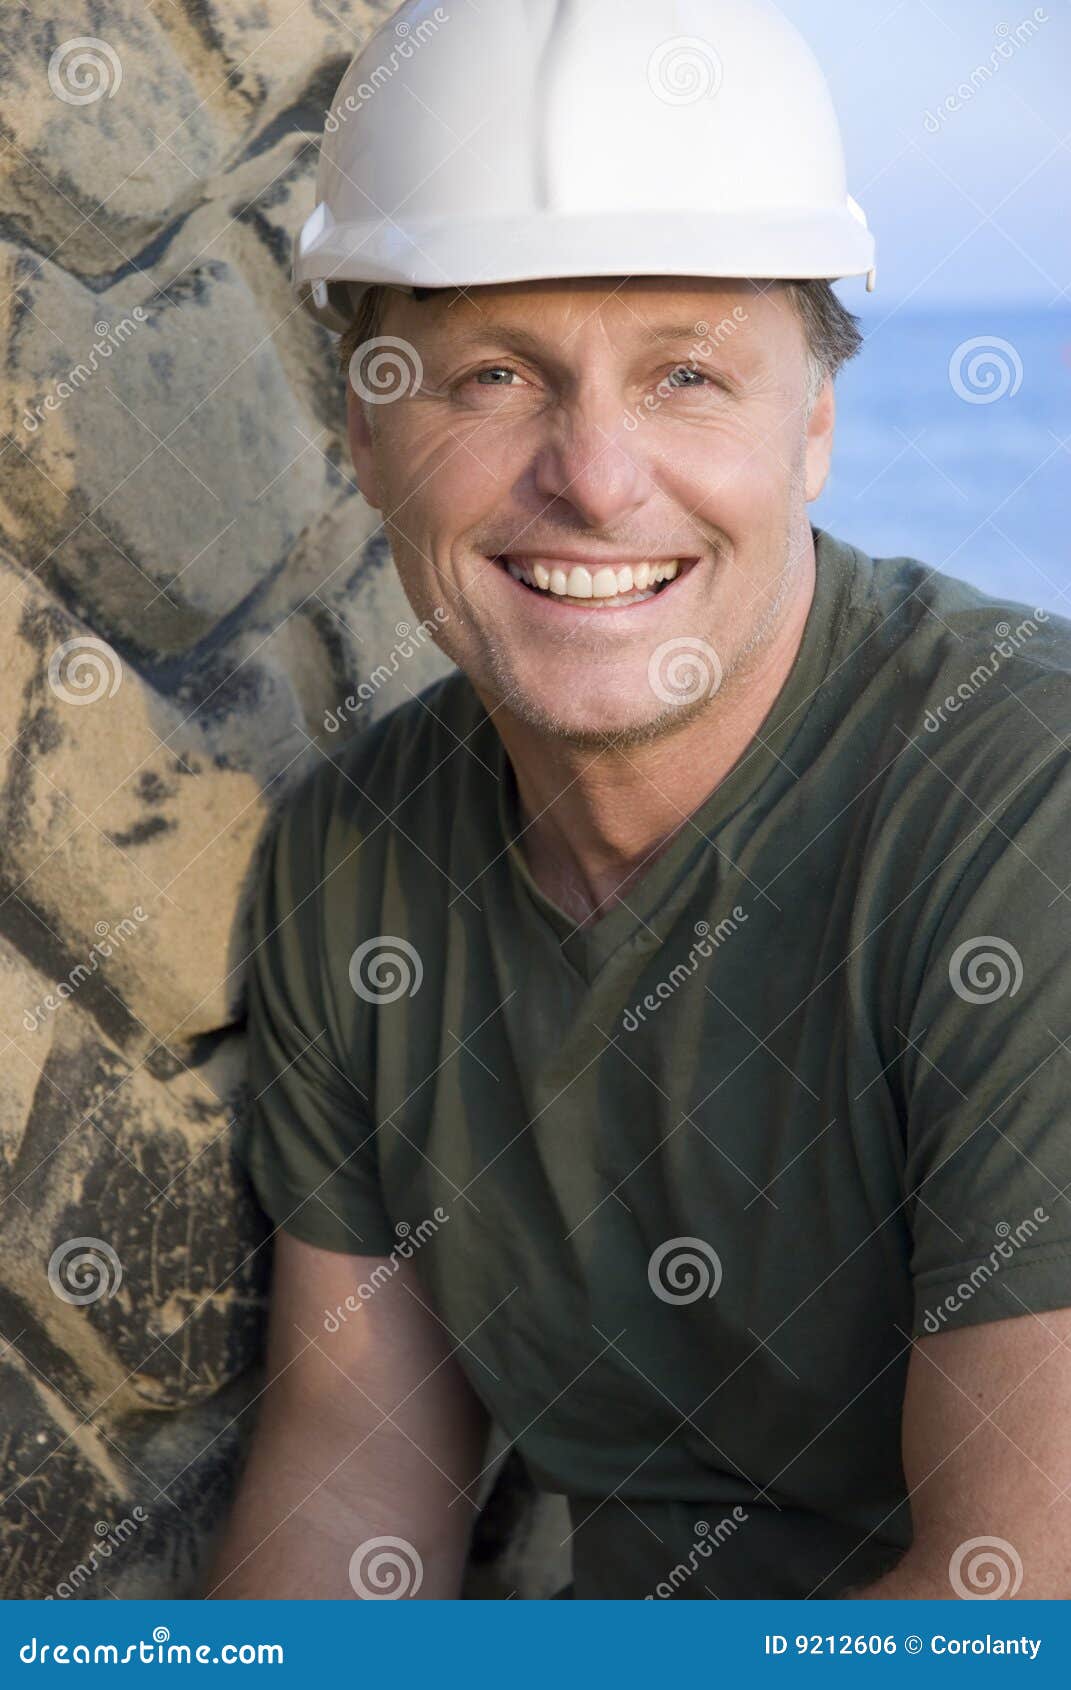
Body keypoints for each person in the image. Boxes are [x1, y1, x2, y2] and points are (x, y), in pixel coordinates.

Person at [207, 0, 1071, 1600]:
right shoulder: (358, 859)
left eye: (685, 374)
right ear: (366, 428)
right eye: (490, 377)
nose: (596, 478)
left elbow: (1018, 1598)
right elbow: (352, 1473)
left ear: (813, 424)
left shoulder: (1024, 809)